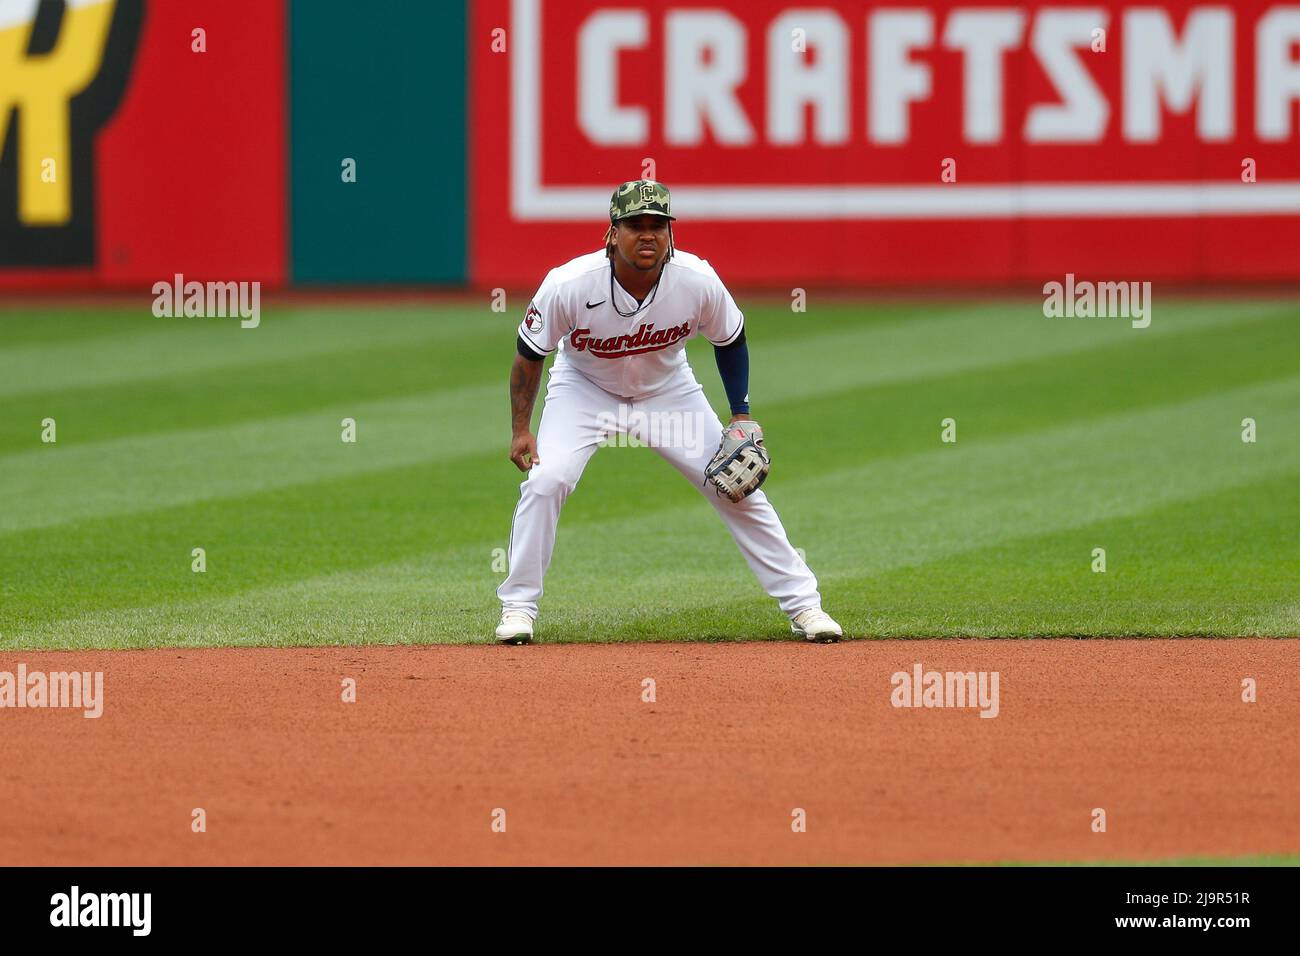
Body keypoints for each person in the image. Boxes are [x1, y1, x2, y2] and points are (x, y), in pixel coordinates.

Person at [494, 180, 842, 645]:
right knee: (546, 480)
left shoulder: (695, 280)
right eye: (635, 225)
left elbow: (730, 338)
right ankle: (518, 608)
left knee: (734, 486)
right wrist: (521, 428)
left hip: (667, 394)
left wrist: (740, 413)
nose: (648, 234)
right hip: (584, 391)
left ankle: (805, 607)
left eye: (658, 225)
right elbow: (528, 354)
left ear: (669, 233)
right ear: (612, 233)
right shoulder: (569, 284)